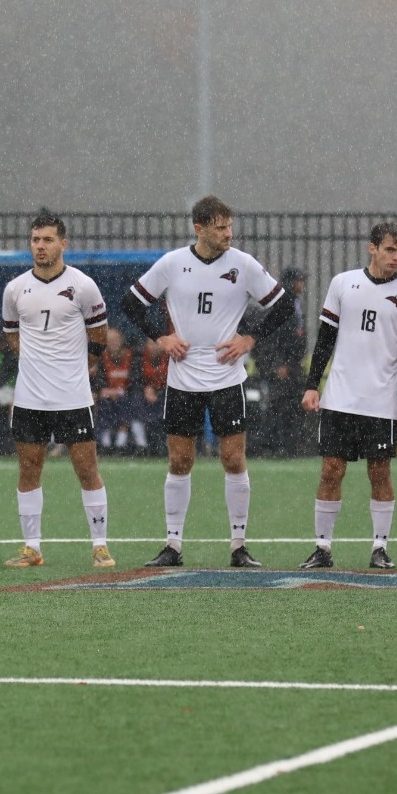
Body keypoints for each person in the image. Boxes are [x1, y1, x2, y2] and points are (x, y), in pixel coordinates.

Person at [122, 194, 293, 568]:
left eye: (230, 226)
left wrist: (249, 338)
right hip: (183, 380)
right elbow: (131, 303)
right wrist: (162, 337)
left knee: (233, 459)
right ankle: (173, 545)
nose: (228, 233)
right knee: (180, 461)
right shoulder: (173, 264)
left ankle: (238, 545)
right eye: (220, 228)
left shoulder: (243, 265)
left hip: (227, 379)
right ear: (199, 229)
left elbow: (283, 305)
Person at [297, 222, 397, 570]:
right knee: (330, 470)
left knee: (379, 473)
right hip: (339, 397)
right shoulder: (343, 283)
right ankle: (322, 548)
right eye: (389, 250)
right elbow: (325, 339)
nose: (396, 257)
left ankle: (379, 548)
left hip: (381, 402)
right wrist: (312, 384)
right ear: (372, 248)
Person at [0, 211, 114, 568]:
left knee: (86, 468)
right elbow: (12, 333)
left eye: (48, 240)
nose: (40, 247)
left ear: (63, 244)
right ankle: (31, 547)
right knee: (29, 469)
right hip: (31, 397)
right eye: (35, 240)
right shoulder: (16, 288)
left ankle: (100, 545)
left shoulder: (83, 285)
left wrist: (82, 365)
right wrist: (36, 364)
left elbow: (99, 335)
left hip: (72, 396)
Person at [250, 265, 309, 457]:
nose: (303, 284)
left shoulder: (295, 303)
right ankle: (268, 446)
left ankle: (289, 445)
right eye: (300, 280)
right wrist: (277, 364)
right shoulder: (281, 303)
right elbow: (269, 337)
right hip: (282, 367)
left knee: (292, 405)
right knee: (277, 406)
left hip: (292, 365)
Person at [94, 327, 147, 454]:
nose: (114, 343)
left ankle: (125, 443)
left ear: (122, 340)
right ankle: (105, 444)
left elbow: (136, 380)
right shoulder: (102, 358)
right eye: (110, 340)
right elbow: (99, 380)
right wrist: (104, 390)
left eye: (116, 339)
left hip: (127, 395)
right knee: (103, 405)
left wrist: (120, 391)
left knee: (130, 404)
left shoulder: (132, 356)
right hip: (108, 396)